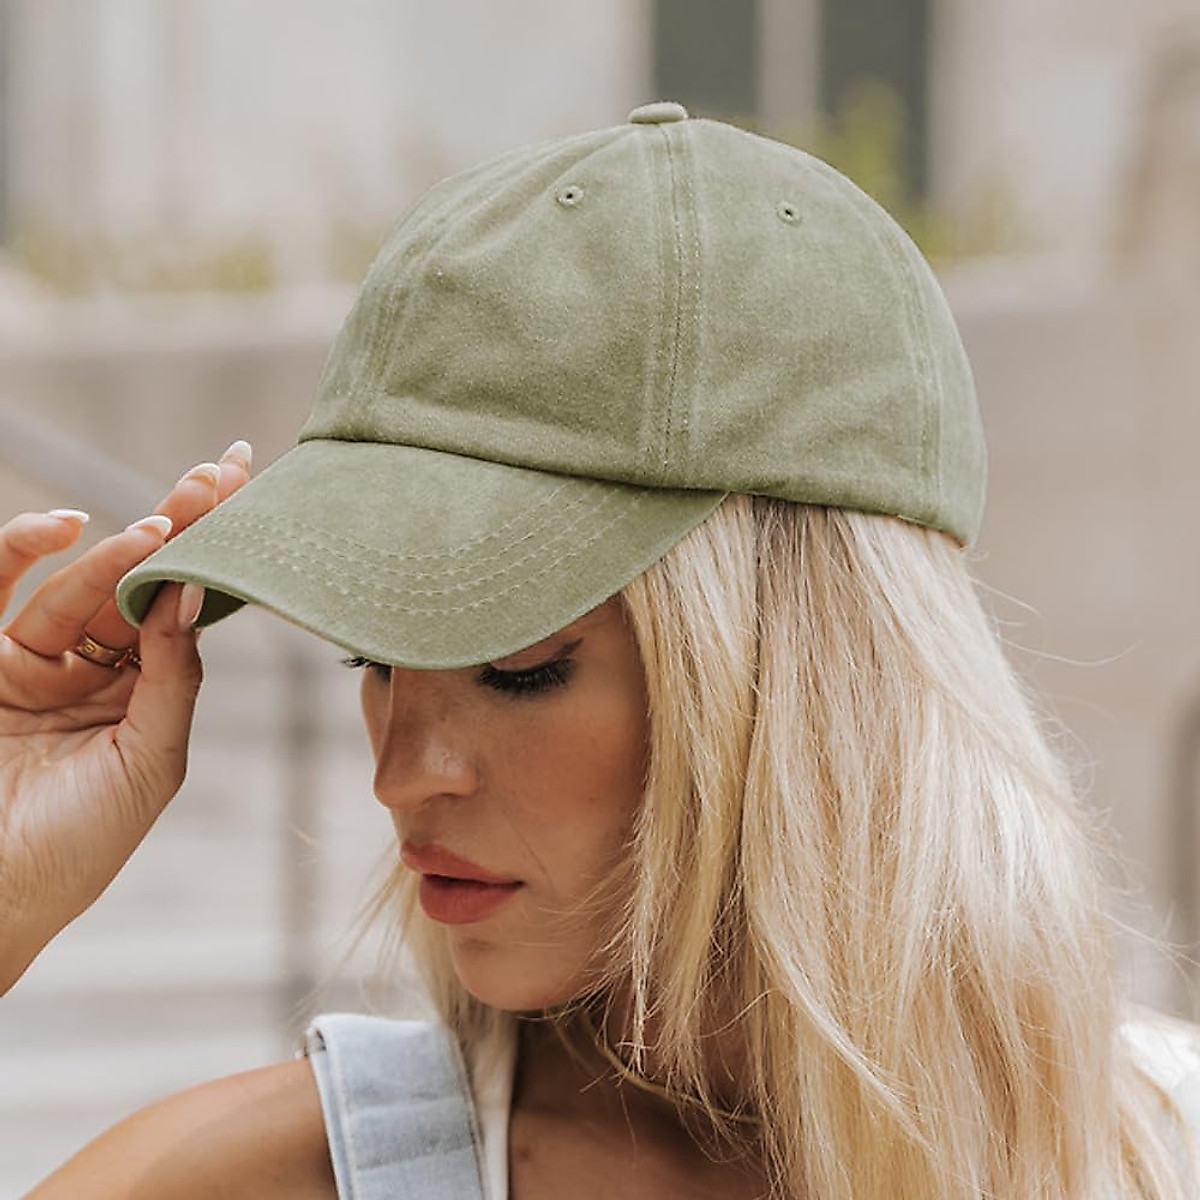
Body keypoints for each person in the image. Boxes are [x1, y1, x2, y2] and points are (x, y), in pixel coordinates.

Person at [4, 102, 1198, 1199]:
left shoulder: (1163, 1145)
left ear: (797, 684)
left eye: (519, 663)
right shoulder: (265, 1175)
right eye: (371, 657)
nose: (401, 774)